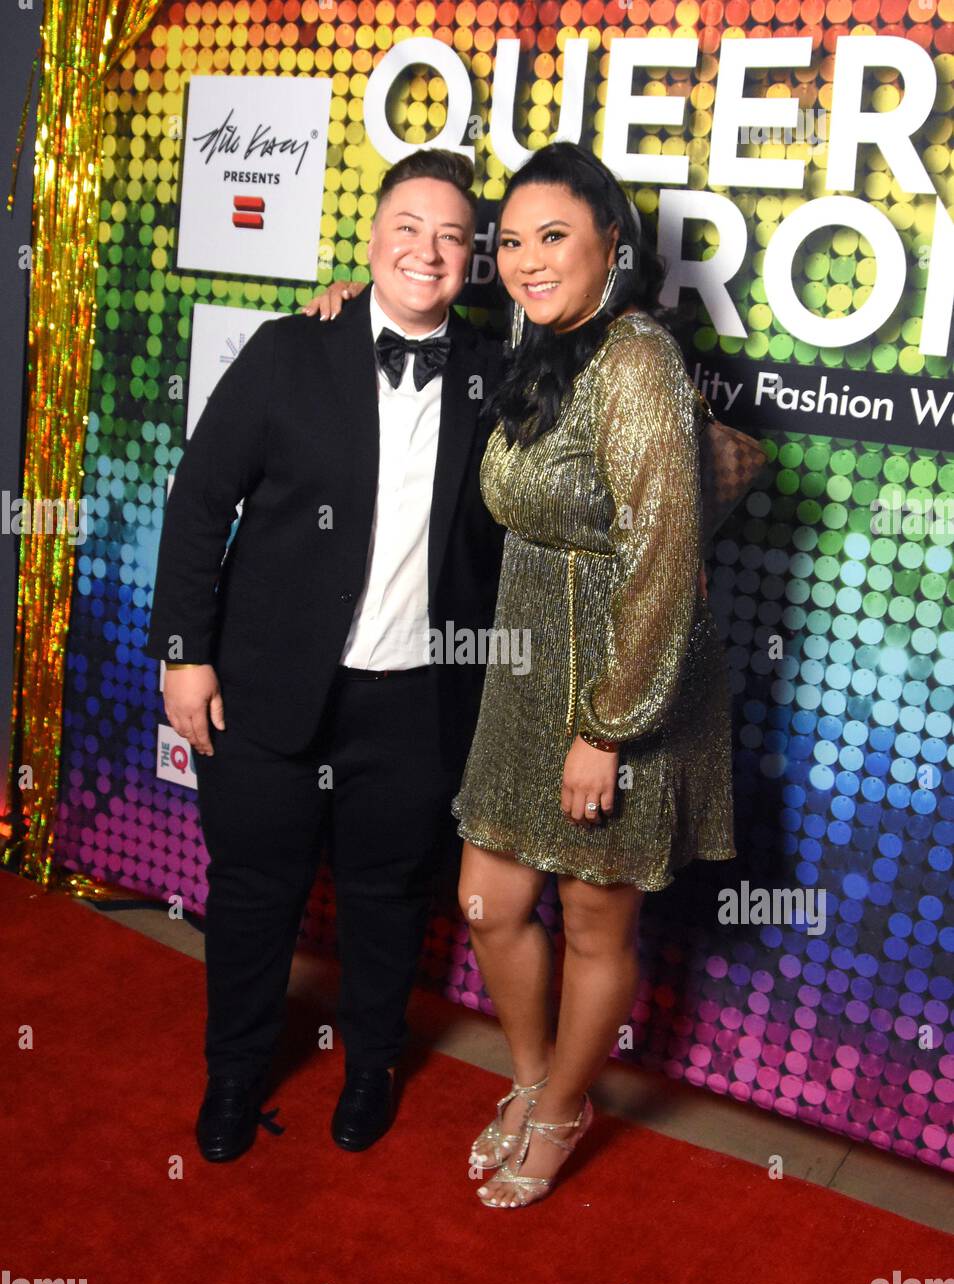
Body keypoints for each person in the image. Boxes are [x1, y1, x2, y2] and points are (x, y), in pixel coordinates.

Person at [307, 141, 735, 1209]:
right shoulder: (538, 344)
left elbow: (664, 560)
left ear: (613, 249)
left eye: (557, 237)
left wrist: (609, 728)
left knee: (594, 921)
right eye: (512, 240)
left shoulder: (633, 357)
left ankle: (554, 1111)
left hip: (619, 683)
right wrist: (352, 300)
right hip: (524, 673)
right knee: (491, 902)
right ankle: (543, 1079)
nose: (529, 260)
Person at [146, 149, 505, 1162]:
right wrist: (184, 654)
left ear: (471, 256)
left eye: (449, 236)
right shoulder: (286, 351)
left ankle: (370, 1067)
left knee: (388, 903)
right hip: (267, 690)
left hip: (417, 707)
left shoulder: (496, 377)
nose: (426, 251)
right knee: (255, 895)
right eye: (408, 228)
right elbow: (198, 503)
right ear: (372, 239)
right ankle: (232, 1077)